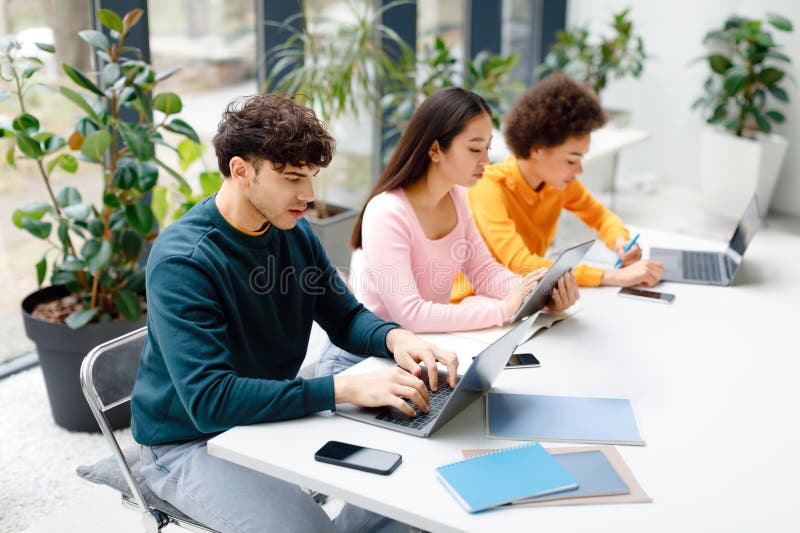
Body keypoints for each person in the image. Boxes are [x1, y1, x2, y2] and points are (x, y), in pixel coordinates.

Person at [130, 94, 459, 533]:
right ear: (240, 171)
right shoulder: (184, 260)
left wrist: (396, 338)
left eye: (311, 177)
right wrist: (342, 388)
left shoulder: (293, 231)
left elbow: (343, 318)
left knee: (422, 488)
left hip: (270, 416)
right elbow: (210, 401)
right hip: (190, 440)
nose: (308, 196)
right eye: (291, 178)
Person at [316, 87, 579, 376]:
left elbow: (484, 272)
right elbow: (410, 314)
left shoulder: (457, 197)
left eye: (488, 148)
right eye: (474, 149)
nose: (485, 161)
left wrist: (534, 294)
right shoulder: (387, 212)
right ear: (435, 150)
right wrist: (502, 310)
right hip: (361, 362)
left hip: (417, 356)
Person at [451, 73, 662, 304]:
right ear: (537, 149)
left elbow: (601, 217)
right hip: (471, 300)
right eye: (572, 160)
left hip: (523, 295)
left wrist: (620, 241)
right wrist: (612, 276)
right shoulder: (488, 187)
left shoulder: (558, 184)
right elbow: (522, 263)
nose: (579, 170)